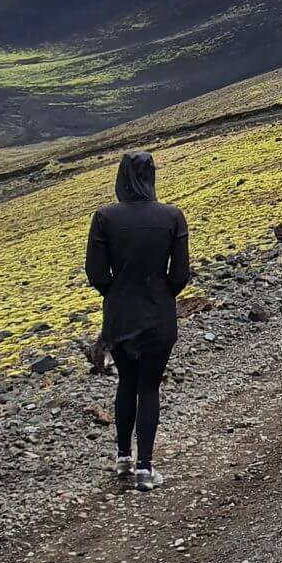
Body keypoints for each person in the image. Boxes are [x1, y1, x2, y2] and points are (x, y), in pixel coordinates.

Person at [83, 150, 192, 491]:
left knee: (126, 383)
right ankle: (145, 467)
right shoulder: (172, 216)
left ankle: (122, 458)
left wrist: (117, 294)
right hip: (159, 313)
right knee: (149, 386)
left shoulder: (104, 218)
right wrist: (163, 293)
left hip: (119, 314)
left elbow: (96, 274)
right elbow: (181, 274)